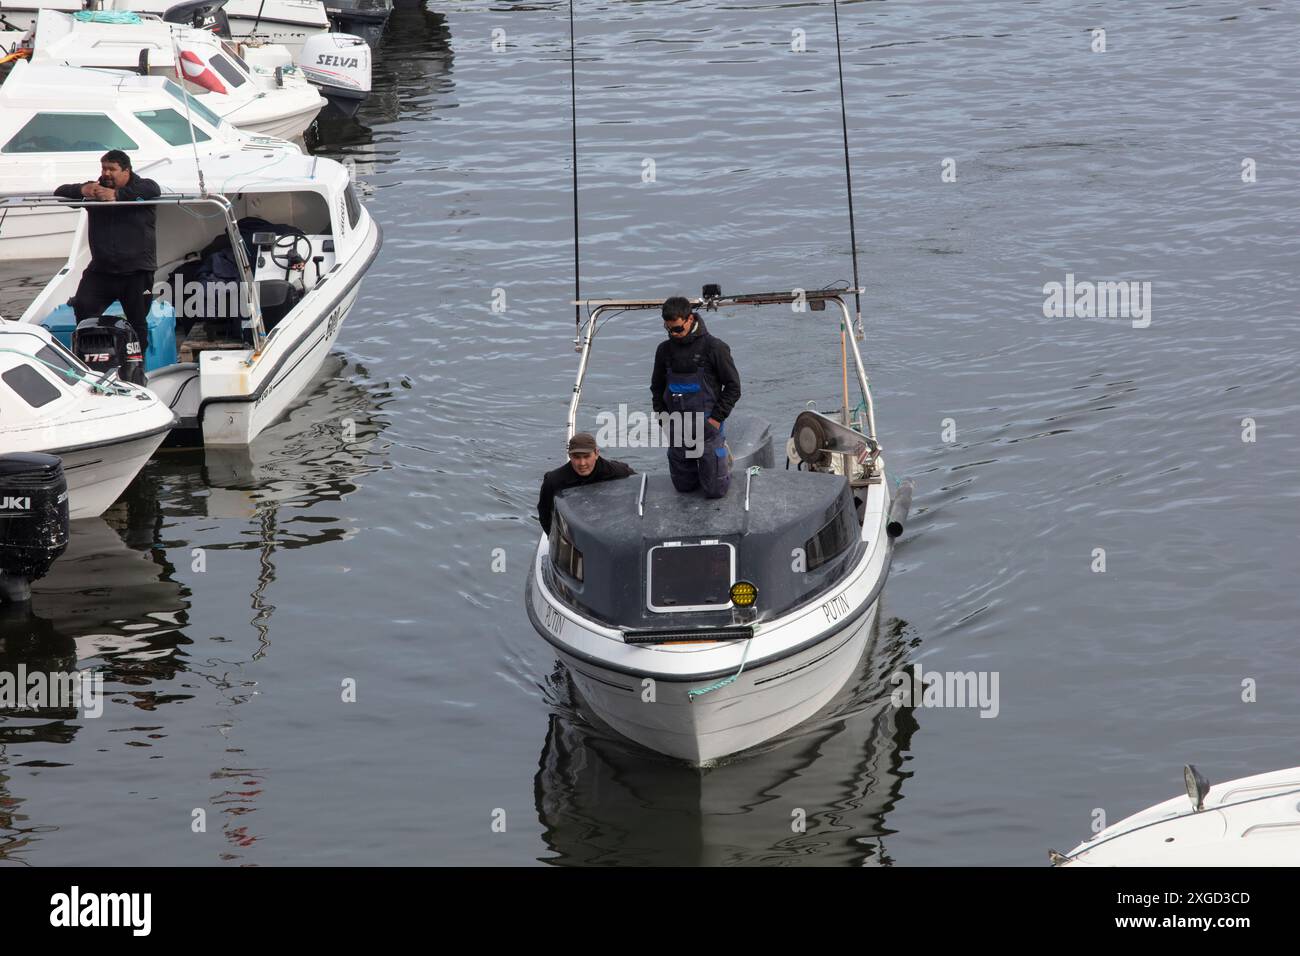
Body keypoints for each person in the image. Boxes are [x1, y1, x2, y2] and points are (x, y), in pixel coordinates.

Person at [54, 150, 161, 353]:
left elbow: (153, 189)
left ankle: (139, 368)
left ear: (126, 171)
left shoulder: (141, 188)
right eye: (104, 168)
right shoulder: (96, 189)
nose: (106, 173)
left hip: (137, 273)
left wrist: (117, 195)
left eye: (112, 169)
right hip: (101, 272)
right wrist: (83, 190)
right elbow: (60, 192)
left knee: (137, 321)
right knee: (83, 308)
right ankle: (91, 356)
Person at [650, 296, 741, 498]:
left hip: (708, 427)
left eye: (678, 329)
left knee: (715, 491)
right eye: (668, 329)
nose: (673, 334)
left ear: (690, 319)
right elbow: (656, 388)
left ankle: (722, 458)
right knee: (684, 487)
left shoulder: (715, 348)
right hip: (677, 428)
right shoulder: (663, 351)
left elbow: (734, 387)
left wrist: (716, 419)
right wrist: (663, 418)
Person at [537, 433, 634, 536]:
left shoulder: (618, 472)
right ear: (569, 455)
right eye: (576, 457)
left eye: (587, 456)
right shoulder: (553, 481)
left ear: (596, 454)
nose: (582, 463)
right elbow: (545, 514)